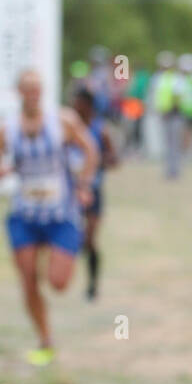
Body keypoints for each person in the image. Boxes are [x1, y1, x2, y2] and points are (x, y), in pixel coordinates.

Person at [0, 68, 98, 366]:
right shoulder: (7, 128)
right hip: (25, 214)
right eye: (28, 90)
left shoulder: (62, 121)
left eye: (38, 89)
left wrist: (84, 185)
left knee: (58, 283)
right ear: (19, 93)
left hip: (60, 213)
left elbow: (91, 150)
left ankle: (52, 254)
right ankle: (45, 339)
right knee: (27, 280)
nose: (34, 95)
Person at [70, 86, 118, 300]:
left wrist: (98, 162)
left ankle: (92, 284)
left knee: (89, 239)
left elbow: (114, 159)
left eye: (78, 103)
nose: (74, 107)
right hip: (70, 192)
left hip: (94, 191)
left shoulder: (100, 130)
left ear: (87, 105)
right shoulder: (68, 128)